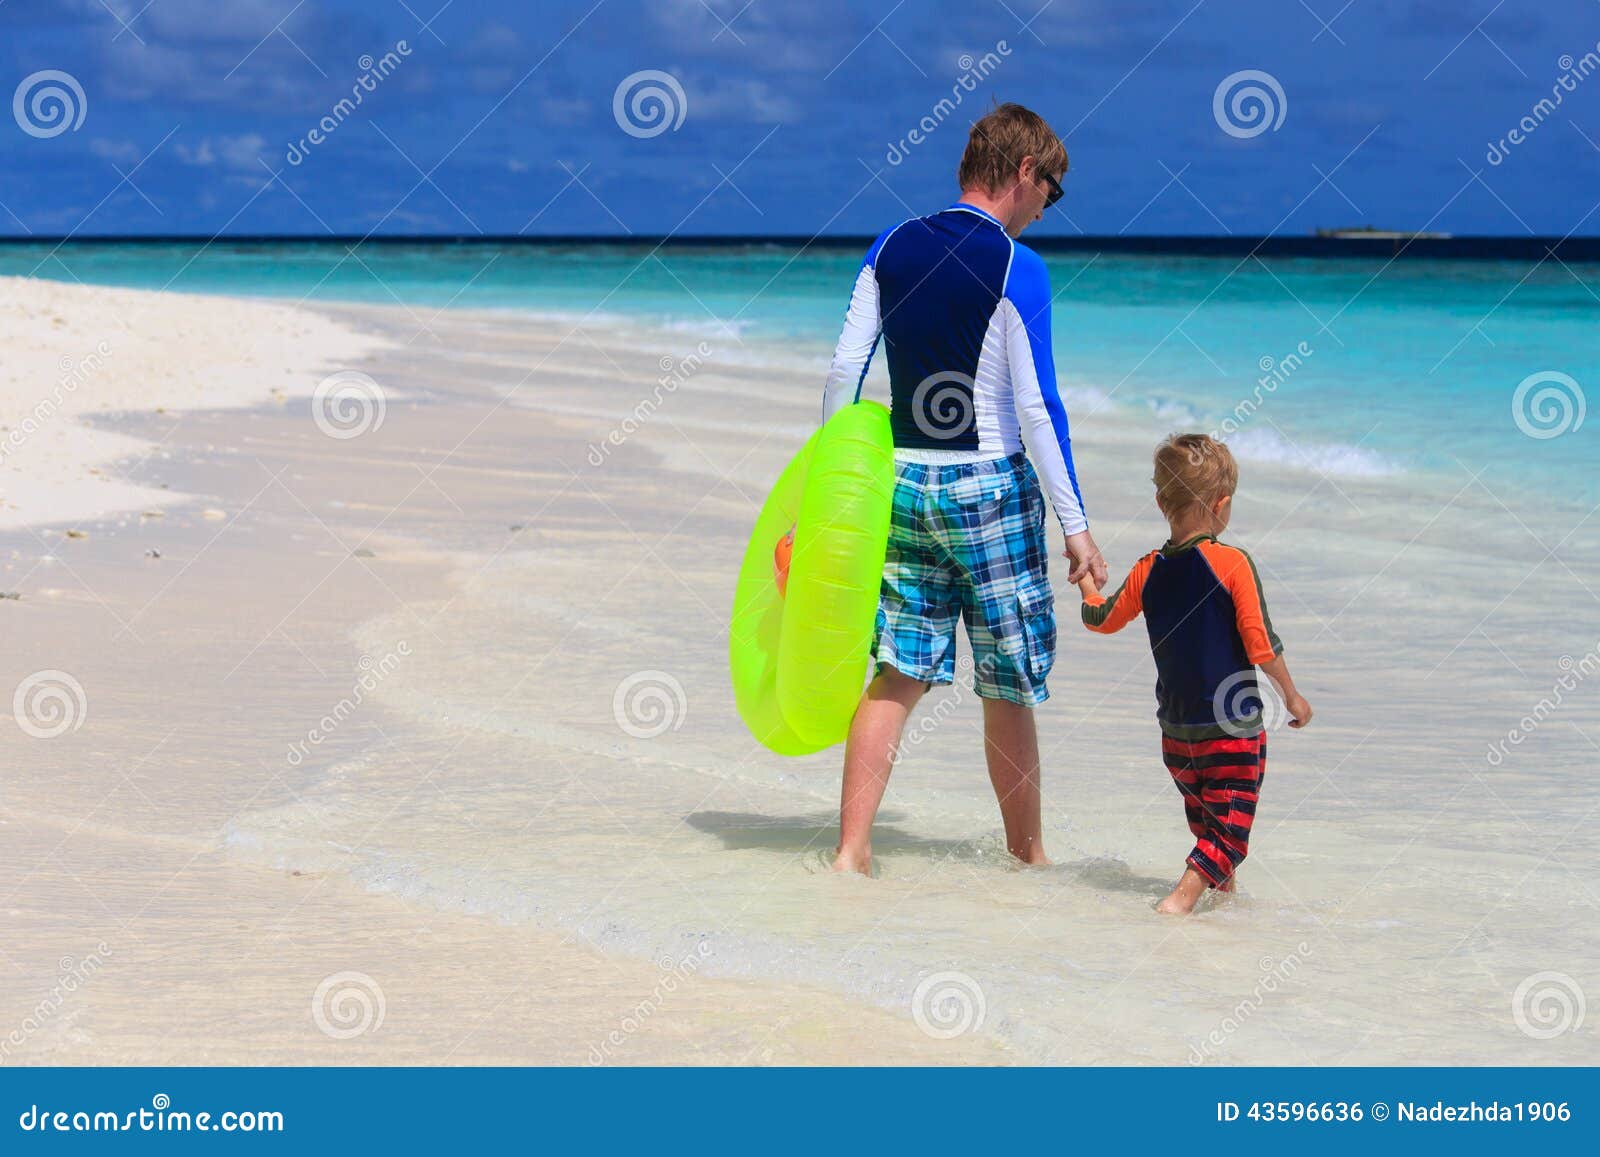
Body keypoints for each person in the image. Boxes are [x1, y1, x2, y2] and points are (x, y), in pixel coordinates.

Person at [821, 102, 1107, 876]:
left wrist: (829, 492)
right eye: (1052, 185)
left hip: (904, 481)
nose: (1049, 204)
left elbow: (847, 373)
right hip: (989, 492)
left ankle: (851, 852)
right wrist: (1075, 525)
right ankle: (1028, 854)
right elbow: (1037, 407)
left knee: (899, 669)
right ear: (1022, 171)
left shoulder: (889, 246)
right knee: (1006, 680)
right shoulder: (1019, 268)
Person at [1080, 434, 1312, 914]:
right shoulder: (1231, 563)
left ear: (1162, 501)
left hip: (1177, 731)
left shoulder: (1149, 568)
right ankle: (1180, 902)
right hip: (1230, 728)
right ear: (1222, 505)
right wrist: (1291, 696)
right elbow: (1260, 643)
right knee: (1230, 832)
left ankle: (1221, 904)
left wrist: (1086, 581)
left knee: (1209, 823)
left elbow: (1101, 620)